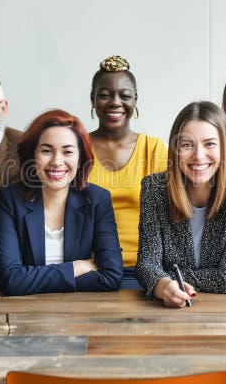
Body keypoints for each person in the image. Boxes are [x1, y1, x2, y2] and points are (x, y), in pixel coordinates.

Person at [136, 101, 226, 307]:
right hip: (170, 309)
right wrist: (164, 286)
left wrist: (163, 278)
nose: (199, 156)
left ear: (225, 147)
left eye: (210, 143)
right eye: (187, 145)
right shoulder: (155, 188)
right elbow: (147, 263)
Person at [0, 109, 122, 295]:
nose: (56, 161)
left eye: (67, 151)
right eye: (46, 151)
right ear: (32, 156)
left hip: (79, 313)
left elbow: (111, 277)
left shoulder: (97, 199)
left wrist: (30, 280)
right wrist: (76, 268)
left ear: (80, 159)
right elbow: (10, 280)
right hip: (24, 313)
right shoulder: (10, 200)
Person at [87, 55, 168, 289]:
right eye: (105, 95)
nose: (115, 102)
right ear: (92, 99)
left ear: (135, 100)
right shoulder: (76, 148)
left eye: (124, 95)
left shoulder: (153, 149)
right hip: (90, 268)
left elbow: (169, 216)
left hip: (144, 269)